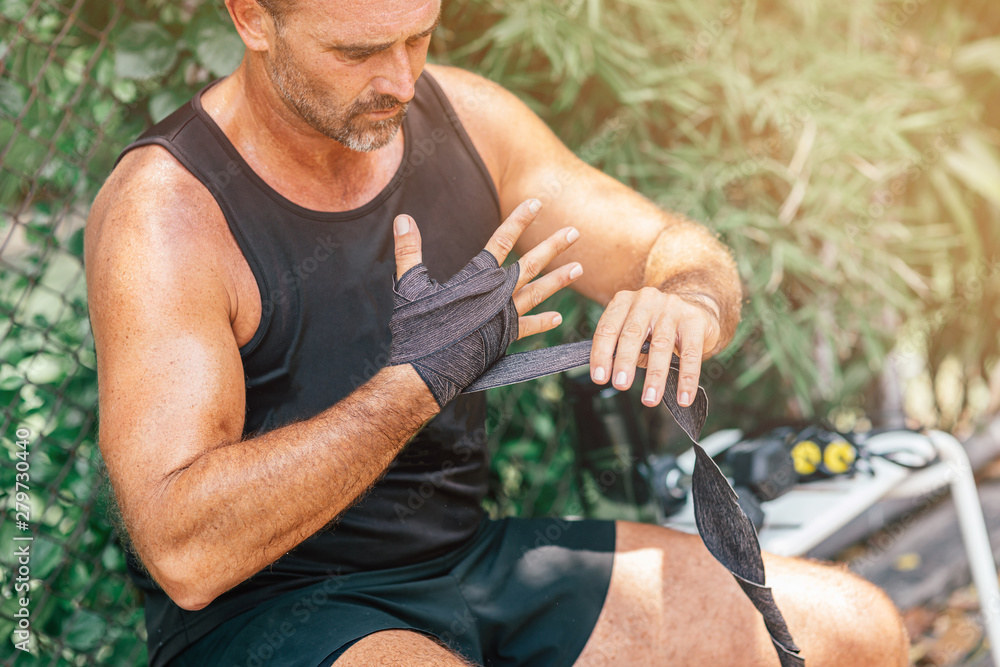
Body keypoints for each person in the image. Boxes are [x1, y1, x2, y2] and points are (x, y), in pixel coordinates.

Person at [84, 0, 909, 665]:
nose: (399, 80)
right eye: (357, 52)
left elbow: (669, 247)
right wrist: (410, 389)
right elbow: (184, 551)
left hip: (463, 563)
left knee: (854, 631)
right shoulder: (166, 213)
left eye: (418, 37)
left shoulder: (464, 119)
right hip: (268, 617)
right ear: (253, 18)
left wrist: (687, 299)